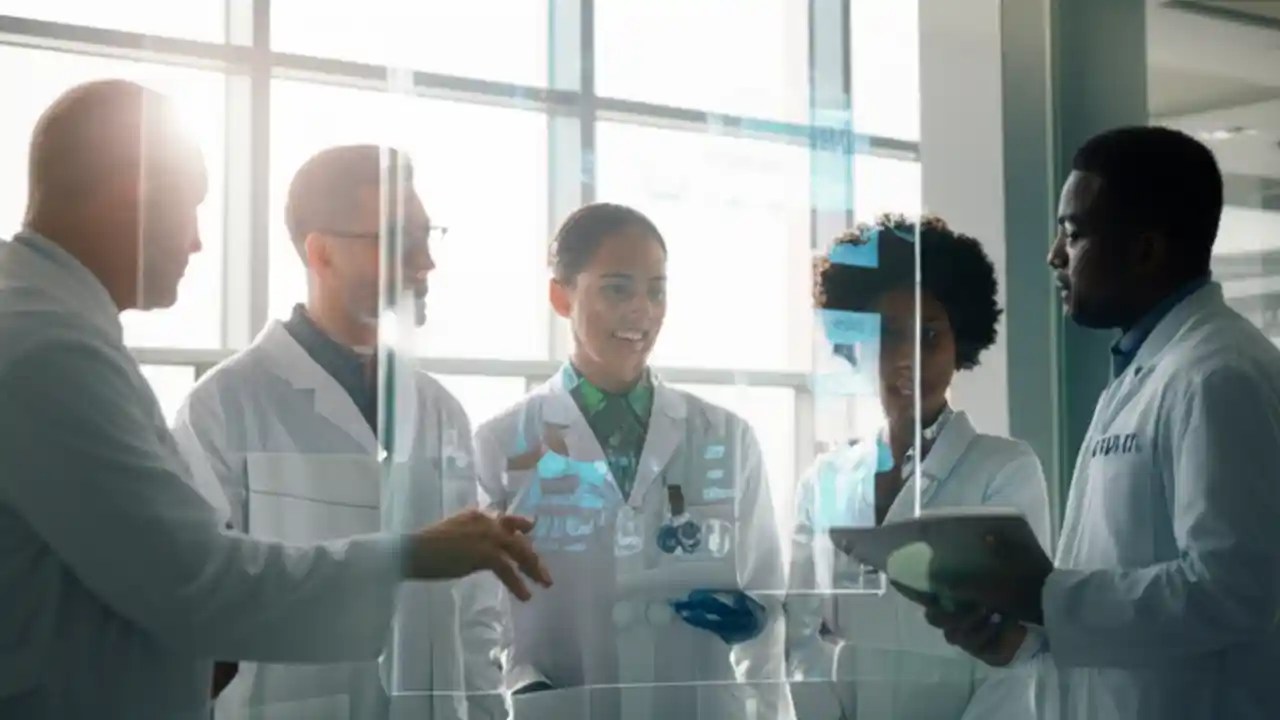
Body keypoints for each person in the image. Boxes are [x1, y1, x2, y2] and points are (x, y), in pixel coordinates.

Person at [0, 79, 549, 720]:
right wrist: (411, 553)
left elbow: (474, 621)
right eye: (189, 206)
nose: (199, 241)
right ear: (135, 194)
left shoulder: (51, 329)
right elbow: (201, 585)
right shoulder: (56, 351)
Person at [922, 126, 1280, 720]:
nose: (1054, 255)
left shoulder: (1219, 376)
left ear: (1145, 249)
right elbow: (1124, 589)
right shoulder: (1152, 369)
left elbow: (1233, 591)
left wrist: (1045, 595)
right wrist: (1028, 632)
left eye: (1073, 232)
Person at [171, 145, 505, 719]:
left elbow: (473, 613)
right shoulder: (223, 408)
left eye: (428, 237)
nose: (425, 263)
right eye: (400, 241)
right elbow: (198, 613)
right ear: (321, 254)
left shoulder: (441, 410)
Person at [471, 203, 789, 719]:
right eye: (618, 288)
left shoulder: (727, 438)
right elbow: (478, 620)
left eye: (656, 290)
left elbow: (768, 601)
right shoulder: (501, 444)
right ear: (561, 295)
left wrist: (754, 621)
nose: (642, 310)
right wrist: (521, 689)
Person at [784, 215, 1051, 719]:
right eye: (887, 335)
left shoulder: (1003, 469)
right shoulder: (824, 480)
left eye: (929, 336)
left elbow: (1015, 653)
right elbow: (800, 635)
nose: (907, 359)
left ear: (960, 346)